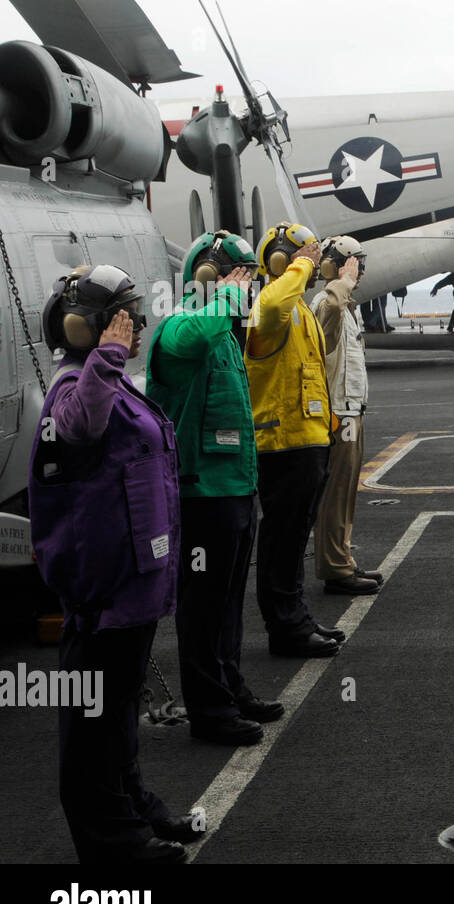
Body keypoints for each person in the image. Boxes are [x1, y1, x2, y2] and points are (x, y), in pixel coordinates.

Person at [29, 265, 198, 862]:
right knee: (94, 725)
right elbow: (82, 425)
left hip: (130, 585)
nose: (132, 328)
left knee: (119, 714)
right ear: (88, 329)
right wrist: (106, 355)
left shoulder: (108, 379)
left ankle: (133, 809)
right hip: (105, 591)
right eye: (120, 318)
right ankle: (111, 841)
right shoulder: (75, 386)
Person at [146, 232, 283, 748]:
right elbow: (193, 337)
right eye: (242, 277)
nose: (249, 289)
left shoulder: (223, 331)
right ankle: (209, 710)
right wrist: (218, 292)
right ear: (207, 276)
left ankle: (230, 688)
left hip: (233, 489)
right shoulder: (183, 325)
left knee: (227, 602)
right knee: (202, 606)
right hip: (200, 494)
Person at [245, 223, 342, 658]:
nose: (315, 262)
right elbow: (270, 306)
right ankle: (285, 628)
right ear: (282, 261)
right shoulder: (271, 307)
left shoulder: (301, 310)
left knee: (295, 537)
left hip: (309, 440)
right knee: (281, 540)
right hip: (282, 444)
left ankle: (296, 616)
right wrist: (298, 263)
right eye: (305, 255)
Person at [313, 235, 384, 595]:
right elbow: (329, 325)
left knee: (346, 494)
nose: (361, 269)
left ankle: (342, 558)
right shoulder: (327, 302)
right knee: (335, 495)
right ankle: (334, 568)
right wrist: (342, 281)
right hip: (338, 415)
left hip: (352, 410)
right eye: (355, 262)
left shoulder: (348, 305)